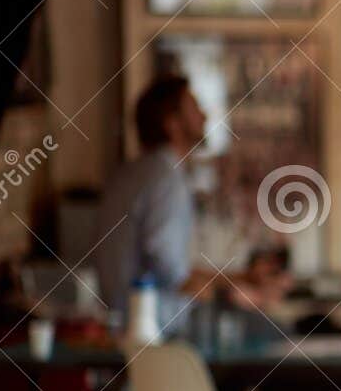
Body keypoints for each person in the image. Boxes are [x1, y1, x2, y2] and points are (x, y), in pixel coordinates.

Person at [97, 75, 288, 336]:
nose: (204, 115)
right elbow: (173, 272)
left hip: (125, 326)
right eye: (194, 106)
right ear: (172, 123)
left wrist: (243, 278)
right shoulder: (165, 178)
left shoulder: (135, 173)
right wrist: (240, 288)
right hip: (158, 332)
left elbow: (171, 265)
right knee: (276, 334)